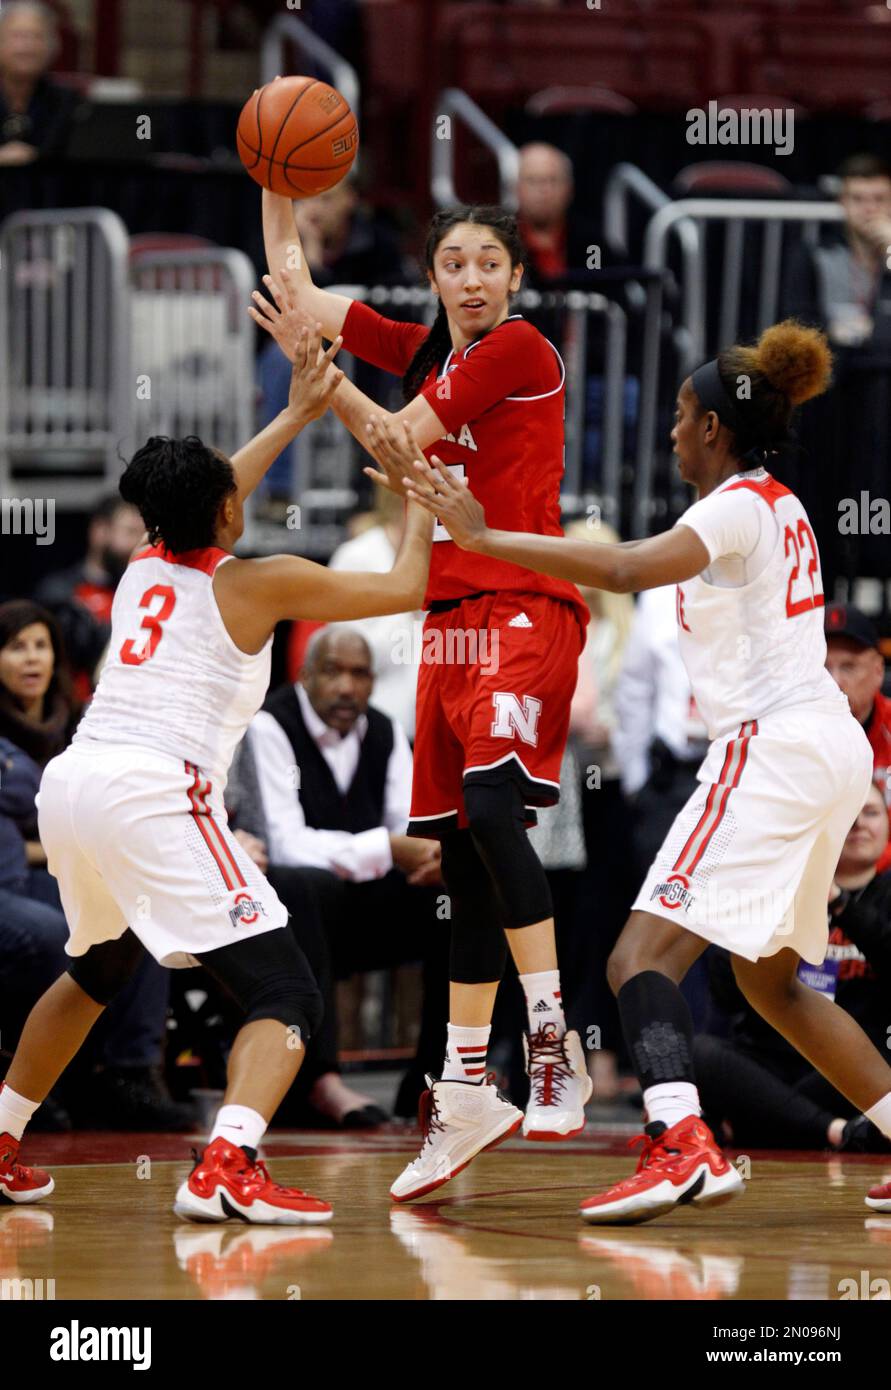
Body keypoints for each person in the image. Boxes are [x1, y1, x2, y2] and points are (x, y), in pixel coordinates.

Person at [401, 318, 891, 1222]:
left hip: (771, 745)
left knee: (637, 957)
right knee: (770, 982)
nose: (668, 430)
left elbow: (625, 568)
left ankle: (680, 1143)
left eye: (678, 414)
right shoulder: (777, 503)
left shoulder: (737, 503)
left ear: (713, 427)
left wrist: (486, 534)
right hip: (825, 747)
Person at [0, 327, 435, 1224]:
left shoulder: (141, 565)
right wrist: (419, 501)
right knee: (286, 990)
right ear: (224, 514)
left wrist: (292, 414)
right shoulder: (259, 579)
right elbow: (405, 589)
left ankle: (1, 1140)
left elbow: (205, 494)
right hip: (157, 790)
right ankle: (229, 1163)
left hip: (77, 783)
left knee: (98, 966)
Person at [254, 172, 593, 1203]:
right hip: (444, 618)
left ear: (515, 274)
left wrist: (321, 383)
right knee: (460, 857)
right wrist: (276, 184)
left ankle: (549, 1035)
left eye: (491, 261)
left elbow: (398, 439)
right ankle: (462, 1087)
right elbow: (297, 287)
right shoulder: (428, 347)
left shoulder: (521, 352)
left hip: (525, 603)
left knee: (495, 810)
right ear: (433, 275)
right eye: (455, 262)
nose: (473, 277)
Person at [241, 625, 447, 1123]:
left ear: (373, 683)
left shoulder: (386, 730)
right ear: (305, 675)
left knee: (455, 897)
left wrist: (430, 858)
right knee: (298, 883)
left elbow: (408, 824)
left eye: (358, 674)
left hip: (367, 903)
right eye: (332, 672)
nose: (346, 687)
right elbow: (285, 842)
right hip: (296, 911)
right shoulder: (270, 725)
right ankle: (320, 1079)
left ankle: (437, 1076)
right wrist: (388, 848)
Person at [0, 599, 189, 1131]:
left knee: (141, 916)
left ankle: (130, 1074)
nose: (31, 659)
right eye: (16, 647)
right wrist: (57, 845)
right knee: (62, 927)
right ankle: (53, 1080)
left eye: (41, 646)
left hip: (69, 864)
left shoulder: (82, 723)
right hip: (22, 875)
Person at [694, 781, 891, 1155]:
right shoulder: (779, 889)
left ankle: (774, 1119)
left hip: (855, 1060)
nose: (860, 825)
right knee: (701, 1052)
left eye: (872, 813)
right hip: (773, 1058)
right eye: (850, 815)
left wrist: (838, 903)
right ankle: (838, 1131)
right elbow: (727, 992)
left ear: (887, 823)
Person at [34, 495, 145, 702]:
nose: (138, 544)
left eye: (143, 535)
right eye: (130, 532)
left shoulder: (141, 593)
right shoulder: (59, 591)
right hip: (70, 714)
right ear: (100, 531)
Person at [824, 602, 891, 873]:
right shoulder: (787, 738)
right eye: (823, 667)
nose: (834, 681)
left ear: (877, 672)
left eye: (849, 667)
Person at [0, 1, 81, 166]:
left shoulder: (68, 101)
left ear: (54, 47)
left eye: (37, 37)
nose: (27, 47)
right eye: (18, 36)